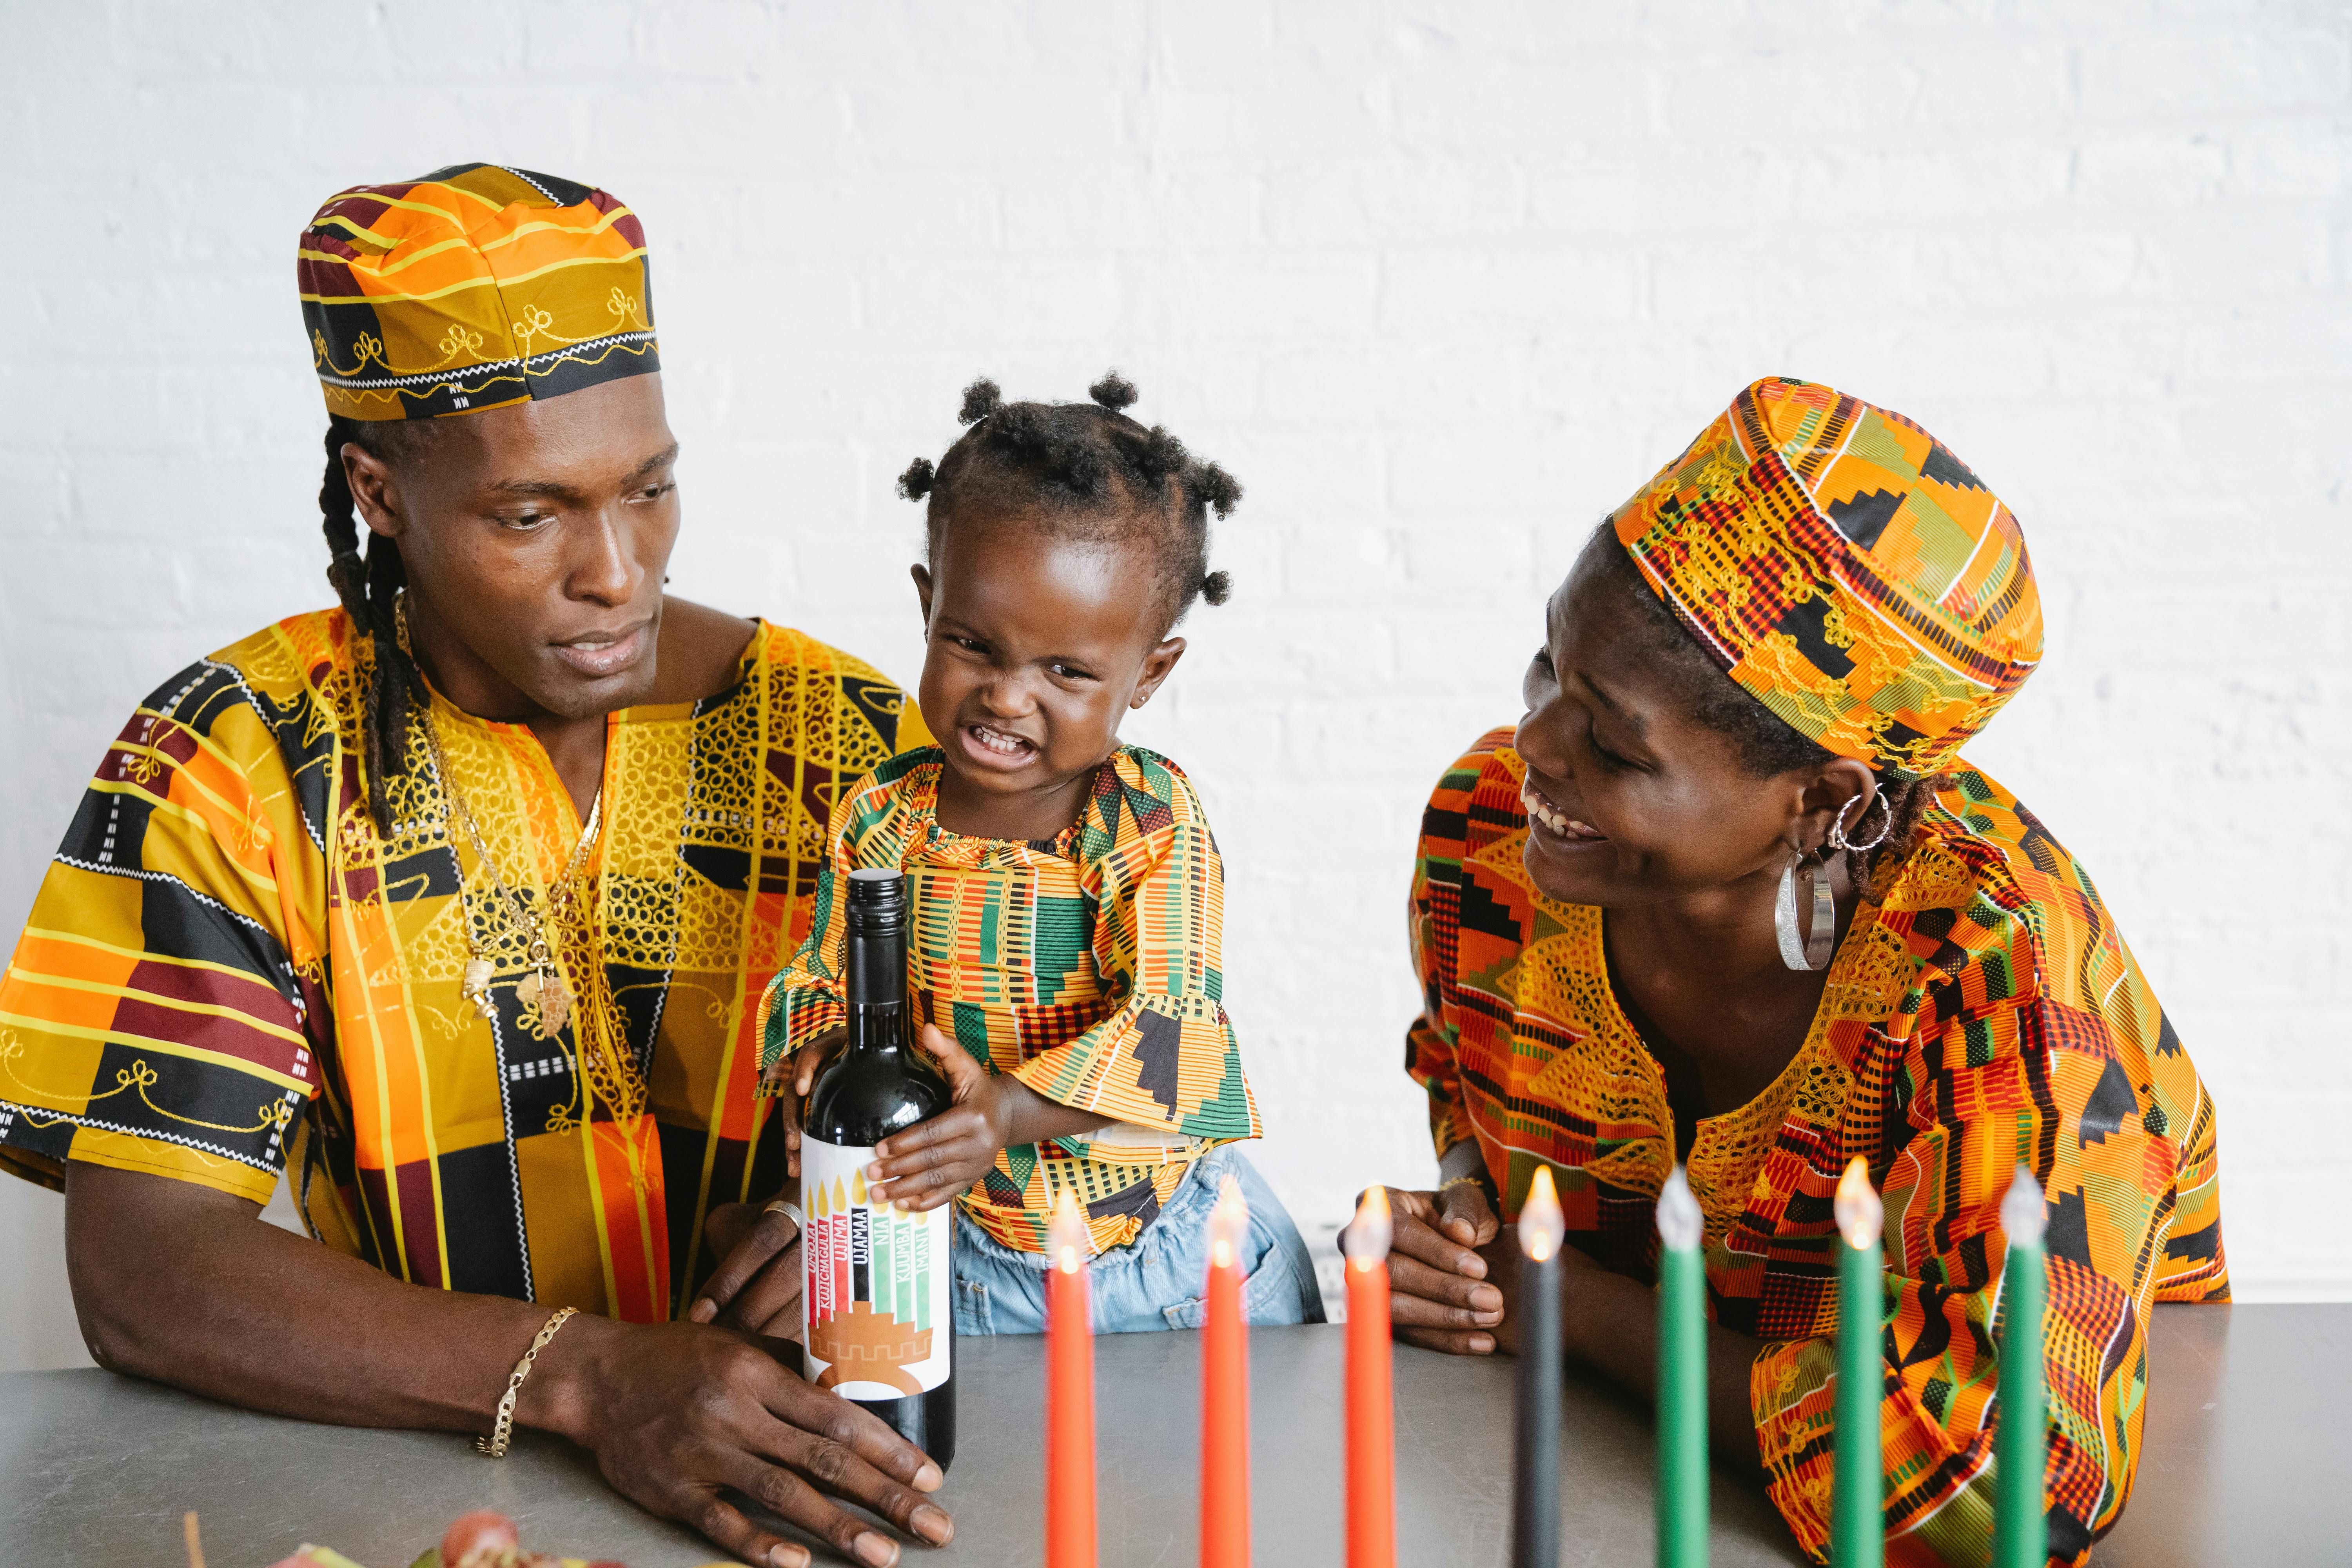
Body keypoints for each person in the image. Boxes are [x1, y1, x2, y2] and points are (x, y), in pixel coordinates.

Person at [0, 164, 954, 1568]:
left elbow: (1039, 1112)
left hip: (802, 1486)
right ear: (380, 492)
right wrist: (589, 1375)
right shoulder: (235, 761)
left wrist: (851, 1209)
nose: (617, 570)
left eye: (650, 489)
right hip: (416, 1504)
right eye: (530, 515)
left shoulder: (852, 746)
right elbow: (142, 1266)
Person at [1376, 377, 2226, 1566]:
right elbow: (1469, 1093)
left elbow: (1998, 1494)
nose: (1532, 745)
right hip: (1601, 1483)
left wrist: (1567, 1304)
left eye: (1611, 742)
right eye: (1544, 667)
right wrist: (1460, 1225)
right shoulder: (1490, 840)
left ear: (1820, 804)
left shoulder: (2007, 979)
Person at [734, 374, 1324, 1335]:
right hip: (967, 1256)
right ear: (928, 605)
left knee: (1213, 1441)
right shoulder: (882, 817)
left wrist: (1005, 1110)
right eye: (973, 643)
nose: (1008, 697)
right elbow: (825, 971)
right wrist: (822, 1054)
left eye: (1067, 670)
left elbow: (1170, 1033)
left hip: (1167, 1266)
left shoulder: (1144, 820)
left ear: (1149, 673)